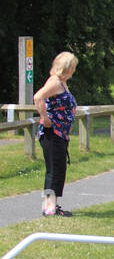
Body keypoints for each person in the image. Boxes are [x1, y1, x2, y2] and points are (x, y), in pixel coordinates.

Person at [33, 51, 79, 217]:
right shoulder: (55, 82)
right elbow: (38, 97)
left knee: (57, 169)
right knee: (55, 170)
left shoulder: (61, 82)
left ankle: (52, 206)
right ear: (67, 68)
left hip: (60, 134)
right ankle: (49, 208)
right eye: (73, 67)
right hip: (52, 132)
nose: (74, 70)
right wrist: (45, 118)